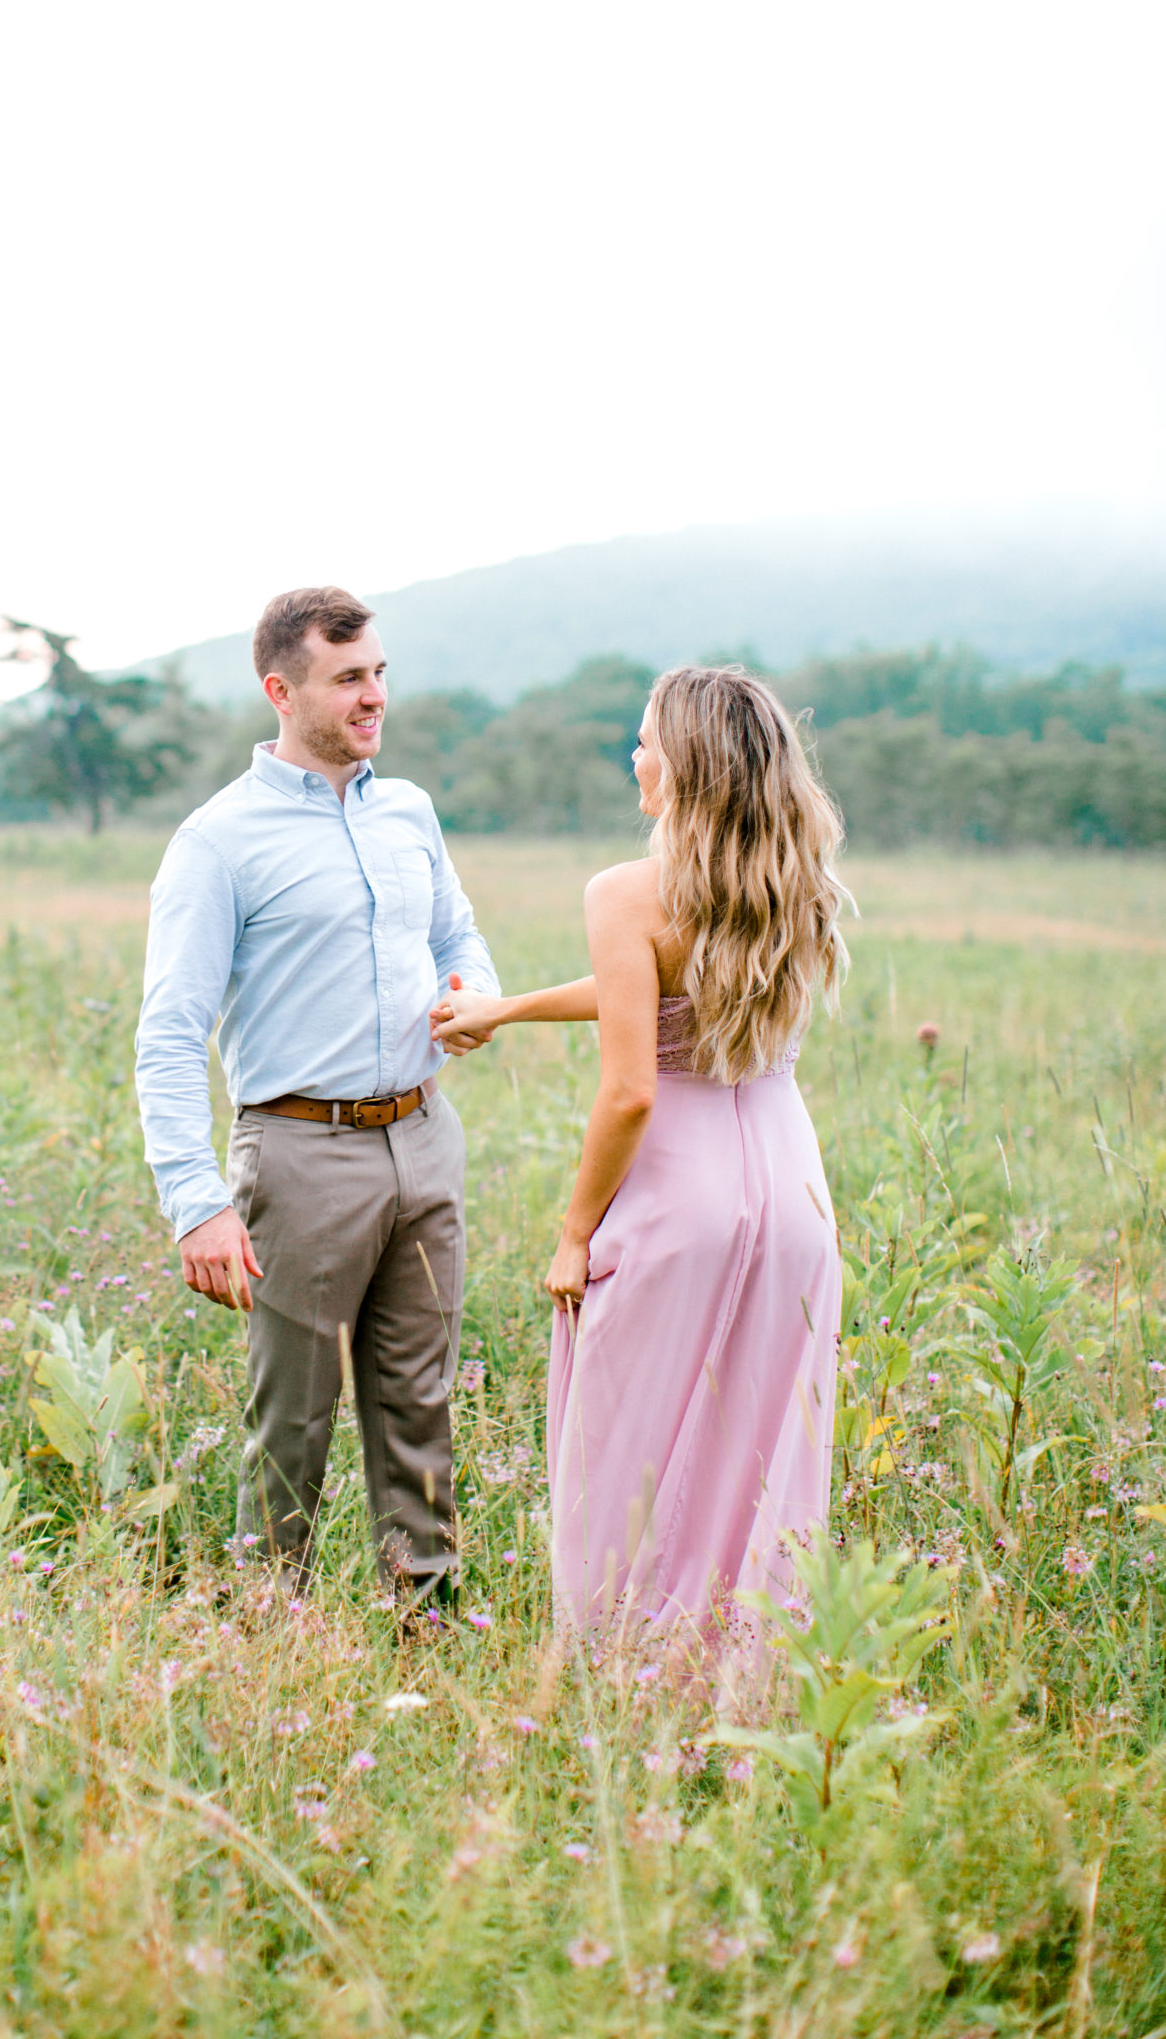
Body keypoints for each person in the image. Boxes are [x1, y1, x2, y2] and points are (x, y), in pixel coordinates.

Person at [432, 665, 848, 1643]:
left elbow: (630, 1088)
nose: (636, 754)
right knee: (758, 1454)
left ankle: (623, 1684)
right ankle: (749, 1679)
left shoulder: (626, 891)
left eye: (648, 738)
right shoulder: (795, 879)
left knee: (624, 1465)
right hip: (794, 1197)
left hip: (674, 1200)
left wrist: (575, 1233)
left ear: (689, 763)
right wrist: (511, 1007)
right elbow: (661, 992)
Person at [135, 586, 499, 1603]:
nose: (374, 695)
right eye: (349, 679)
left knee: (420, 1399)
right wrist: (195, 1200)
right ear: (281, 690)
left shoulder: (409, 811)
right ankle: (264, 1627)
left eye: (379, 672)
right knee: (291, 1418)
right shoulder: (219, 842)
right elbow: (169, 1034)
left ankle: (426, 1610)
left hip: (423, 1136)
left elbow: (455, 936)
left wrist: (479, 992)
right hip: (299, 1153)